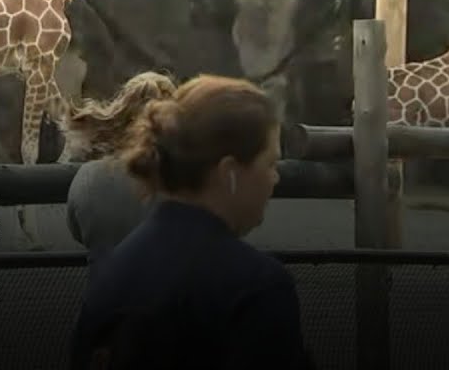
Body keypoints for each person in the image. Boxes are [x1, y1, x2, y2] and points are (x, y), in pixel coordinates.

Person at [69, 74, 314, 370]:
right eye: (270, 164)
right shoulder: (254, 287)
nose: (275, 177)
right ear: (229, 172)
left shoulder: (110, 281)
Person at [64, 71, 176, 279]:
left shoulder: (89, 176)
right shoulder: (189, 180)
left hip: (105, 303)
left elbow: (76, 231)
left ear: (121, 115)